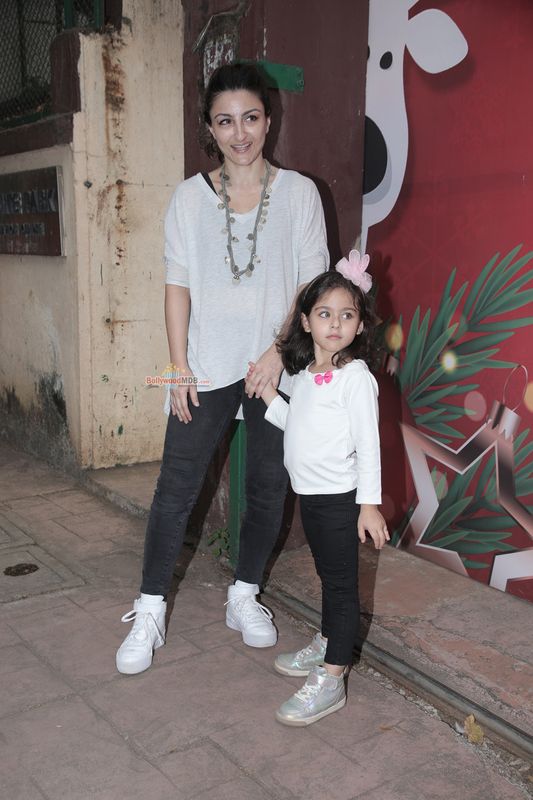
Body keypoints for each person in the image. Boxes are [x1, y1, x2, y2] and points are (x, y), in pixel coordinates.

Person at [116, 62, 329, 674]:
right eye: (226, 121)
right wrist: (178, 366)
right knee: (175, 489)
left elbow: (312, 283)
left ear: (269, 119)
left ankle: (244, 594)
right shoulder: (188, 199)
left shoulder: (300, 194)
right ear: (210, 128)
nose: (241, 134)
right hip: (204, 365)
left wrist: (278, 351)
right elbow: (176, 285)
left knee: (267, 487)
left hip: (275, 367)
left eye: (251, 118)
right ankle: (150, 610)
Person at [250, 252, 389, 725]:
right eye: (325, 314)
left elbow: (369, 445)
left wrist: (368, 505)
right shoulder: (306, 373)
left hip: (340, 500)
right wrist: (269, 394)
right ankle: (328, 642)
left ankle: (332, 678)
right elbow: (297, 424)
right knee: (329, 578)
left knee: (342, 586)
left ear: (360, 325)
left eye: (346, 315)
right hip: (310, 498)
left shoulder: (356, 378)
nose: (335, 324)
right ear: (306, 321)